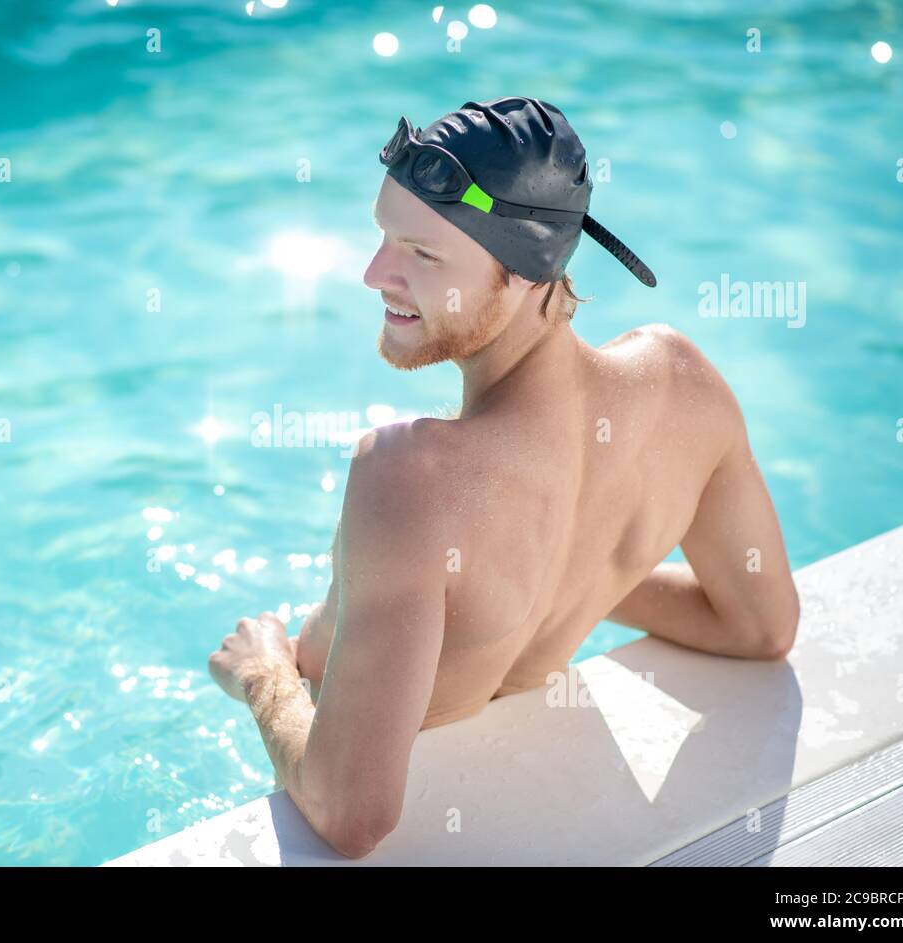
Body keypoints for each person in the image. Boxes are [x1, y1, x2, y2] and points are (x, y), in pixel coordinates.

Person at [208, 96, 799, 860]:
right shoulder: (685, 388)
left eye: (422, 255)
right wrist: (584, 572)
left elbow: (350, 814)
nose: (373, 274)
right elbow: (760, 629)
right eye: (384, 237)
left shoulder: (409, 477)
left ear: (527, 269)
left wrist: (264, 677)